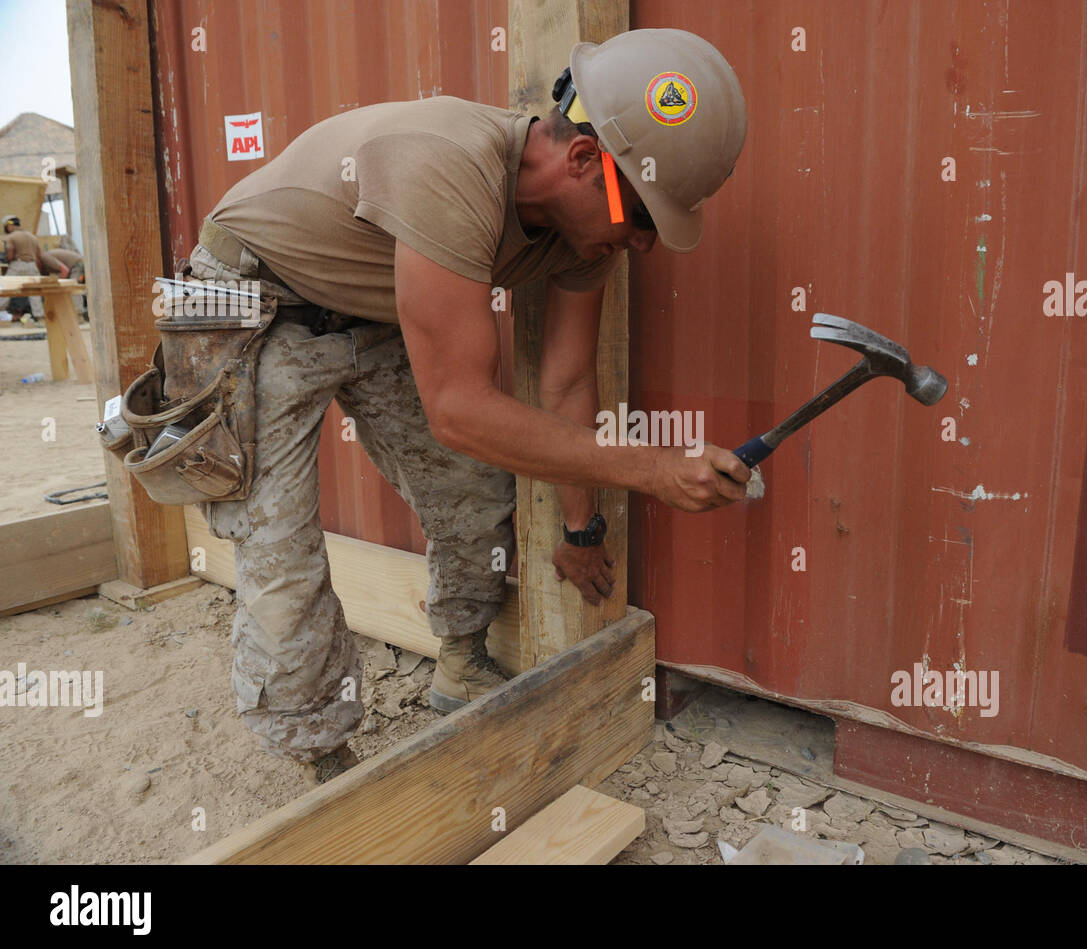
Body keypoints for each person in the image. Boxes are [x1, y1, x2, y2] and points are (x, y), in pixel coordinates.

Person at [181, 27, 748, 783]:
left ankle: (460, 664)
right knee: (281, 555)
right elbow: (459, 408)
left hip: (370, 310)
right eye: (643, 217)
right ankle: (325, 762)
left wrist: (583, 526)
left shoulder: (585, 241)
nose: (643, 244)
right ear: (583, 162)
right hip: (254, 302)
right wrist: (652, 467)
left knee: (475, 492)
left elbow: (568, 384)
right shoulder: (446, 165)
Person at [0, 215, 45, 321]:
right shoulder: (33, 237)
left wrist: (6, 259)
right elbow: (39, 256)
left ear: (10, 226)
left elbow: (10, 256)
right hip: (32, 265)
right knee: (35, 293)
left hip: (18, 265)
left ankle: (1, 314)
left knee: (5, 289)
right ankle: (40, 317)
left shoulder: (11, 237)